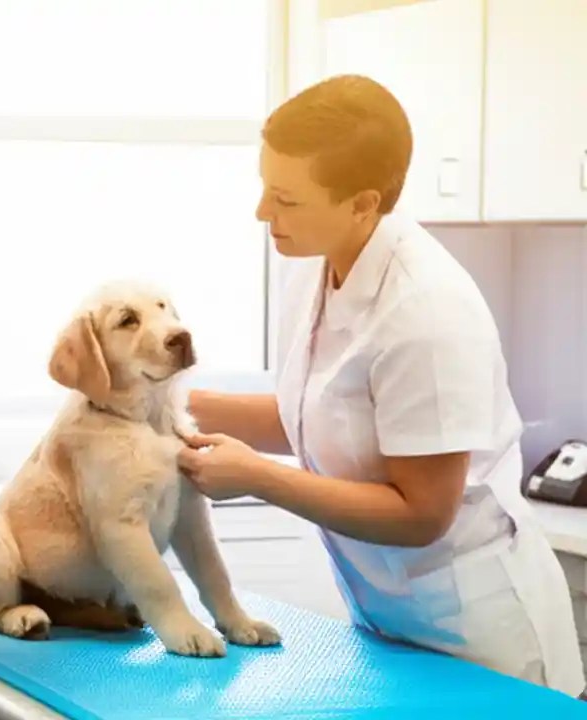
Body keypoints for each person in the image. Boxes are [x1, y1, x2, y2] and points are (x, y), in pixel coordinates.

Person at [176, 74, 587, 700]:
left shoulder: (425, 311)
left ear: (363, 203)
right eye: (265, 187)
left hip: (476, 630)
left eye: (286, 198)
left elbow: (422, 512)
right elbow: (319, 420)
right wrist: (172, 409)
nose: (264, 212)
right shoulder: (318, 272)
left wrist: (258, 477)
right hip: (388, 617)